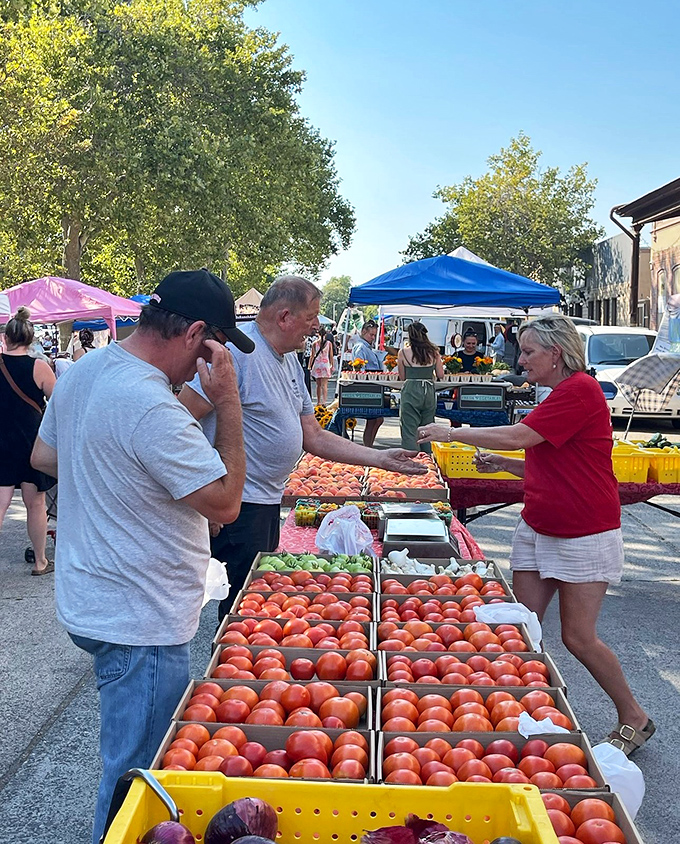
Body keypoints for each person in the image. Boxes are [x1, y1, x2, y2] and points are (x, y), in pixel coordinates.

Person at [30, 269, 250, 844]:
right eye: (216, 347)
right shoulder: (151, 406)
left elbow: (45, 455)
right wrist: (227, 404)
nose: (216, 361)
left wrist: (113, 471)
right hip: (139, 616)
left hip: (91, 595)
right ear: (195, 333)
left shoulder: (84, 373)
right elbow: (226, 503)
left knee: (128, 758)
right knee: (136, 774)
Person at [417, 314, 654, 756]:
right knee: (519, 628)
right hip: (539, 524)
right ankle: (517, 709)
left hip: (583, 531)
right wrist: (504, 465)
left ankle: (634, 716)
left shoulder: (580, 390)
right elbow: (551, 464)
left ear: (555, 354)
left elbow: (522, 435)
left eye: (528, 352)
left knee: (577, 637)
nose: (520, 359)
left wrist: (453, 432)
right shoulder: (557, 393)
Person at [178, 275, 425, 618]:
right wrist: (202, 495)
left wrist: (380, 458)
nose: (315, 327)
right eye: (311, 318)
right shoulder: (237, 354)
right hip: (238, 505)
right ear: (284, 317)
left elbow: (314, 435)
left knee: (249, 600)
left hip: (264, 502)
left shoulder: (289, 360)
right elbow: (183, 422)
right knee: (241, 608)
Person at [0, 307, 56, 576]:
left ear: (6, 338)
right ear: (31, 339)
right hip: (32, 440)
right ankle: (40, 561)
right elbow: (58, 402)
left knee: (0, 502)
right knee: (36, 504)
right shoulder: (40, 366)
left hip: (1, 439)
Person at [397, 322, 444, 453]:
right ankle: (428, 458)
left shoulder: (403, 353)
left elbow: (402, 377)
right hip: (428, 389)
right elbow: (441, 374)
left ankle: (411, 456)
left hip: (411, 388)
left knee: (409, 428)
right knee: (428, 427)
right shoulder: (434, 352)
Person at [351, 319, 386, 446]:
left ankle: (369, 446)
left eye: (374, 335)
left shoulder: (367, 347)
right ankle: (368, 446)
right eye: (371, 335)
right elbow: (359, 368)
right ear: (363, 332)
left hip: (373, 384)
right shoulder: (360, 347)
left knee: (377, 419)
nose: (373, 338)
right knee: (373, 419)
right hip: (367, 385)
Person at [310, 329, 335, 405]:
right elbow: (330, 355)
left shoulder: (315, 343)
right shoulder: (328, 343)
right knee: (324, 385)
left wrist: (309, 366)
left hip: (317, 364)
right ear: (325, 334)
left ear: (318, 334)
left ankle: (318, 401)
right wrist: (332, 365)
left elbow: (312, 356)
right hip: (325, 364)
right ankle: (324, 401)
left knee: (318, 385)